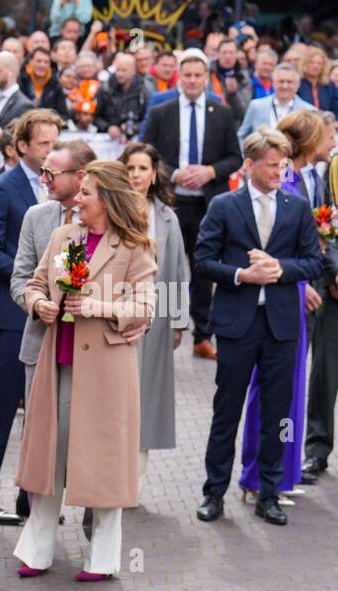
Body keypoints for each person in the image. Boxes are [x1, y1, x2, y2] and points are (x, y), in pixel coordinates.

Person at [15, 160, 158, 580]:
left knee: (104, 464)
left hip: (108, 374)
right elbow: (36, 285)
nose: (76, 200)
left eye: (86, 194)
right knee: (49, 459)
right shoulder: (63, 236)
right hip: (58, 363)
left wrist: (98, 308)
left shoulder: (135, 246)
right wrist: (38, 304)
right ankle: (37, 551)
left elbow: (146, 307)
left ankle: (104, 559)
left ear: (107, 200)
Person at [193, 128, 324, 527]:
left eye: (284, 164)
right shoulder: (224, 205)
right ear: (249, 165)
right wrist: (242, 276)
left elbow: (314, 263)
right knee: (226, 411)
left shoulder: (297, 207)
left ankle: (269, 492)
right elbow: (203, 259)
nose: (280, 172)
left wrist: (280, 269)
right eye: (272, 165)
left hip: (282, 326)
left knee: (277, 414)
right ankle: (213, 493)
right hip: (237, 324)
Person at [0, 109, 64, 525]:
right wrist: (34, 280)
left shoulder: (63, 191)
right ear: (21, 146)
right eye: (44, 144)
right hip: (13, 315)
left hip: (54, 315)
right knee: (2, 407)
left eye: (55, 143)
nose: (51, 151)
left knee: (44, 411)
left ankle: (33, 496)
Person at [238, 112, 332, 503]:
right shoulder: (286, 181)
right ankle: (258, 474)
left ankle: (281, 470)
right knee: (273, 390)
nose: (333, 139)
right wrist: (303, 281)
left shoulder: (307, 179)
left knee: (289, 392)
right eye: (329, 133)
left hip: (295, 289)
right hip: (283, 294)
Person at [141, 49, 242, 361]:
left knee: (203, 270)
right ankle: (167, 331)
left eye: (199, 75)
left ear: (207, 78)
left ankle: (202, 335)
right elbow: (146, 154)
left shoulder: (221, 112)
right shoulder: (162, 110)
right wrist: (172, 173)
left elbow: (235, 157)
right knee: (168, 268)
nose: (193, 80)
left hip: (209, 204)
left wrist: (210, 171)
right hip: (171, 203)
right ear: (179, 78)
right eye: (188, 75)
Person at [121, 142, 190, 478]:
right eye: (130, 168)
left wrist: (178, 321)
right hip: (116, 313)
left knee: (147, 395)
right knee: (117, 395)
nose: (136, 175)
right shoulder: (111, 210)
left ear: (153, 174)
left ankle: (135, 476)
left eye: (142, 169)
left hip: (156, 319)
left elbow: (177, 271)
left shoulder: (166, 217)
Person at [12, 139, 98, 404]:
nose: (43, 179)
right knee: (39, 437)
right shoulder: (35, 217)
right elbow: (20, 280)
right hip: (41, 345)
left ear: (80, 176)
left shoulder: (107, 225)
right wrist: (37, 303)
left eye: (51, 173)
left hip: (92, 350)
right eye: (43, 172)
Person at [301, 121, 338, 483]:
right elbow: (324, 225)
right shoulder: (332, 170)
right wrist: (334, 273)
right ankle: (316, 450)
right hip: (334, 288)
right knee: (325, 373)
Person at [238, 62, 315, 150]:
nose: (285, 86)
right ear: (273, 83)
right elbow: (242, 136)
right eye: (281, 81)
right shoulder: (256, 106)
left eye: (289, 82)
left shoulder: (309, 111)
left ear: (297, 85)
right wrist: (247, 158)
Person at [96, 52, 149, 142]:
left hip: (133, 141)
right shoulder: (105, 89)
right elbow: (95, 117)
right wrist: (108, 127)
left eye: (124, 70)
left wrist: (133, 127)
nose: (119, 74)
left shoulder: (143, 91)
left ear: (133, 71)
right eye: (117, 70)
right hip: (107, 140)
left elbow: (148, 119)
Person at [19, 46, 67, 117]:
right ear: (30, 62)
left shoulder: (55, 84)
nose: (42, 65)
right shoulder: (20, 80)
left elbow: (63, 114)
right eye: (39, 61)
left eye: (46, 62)